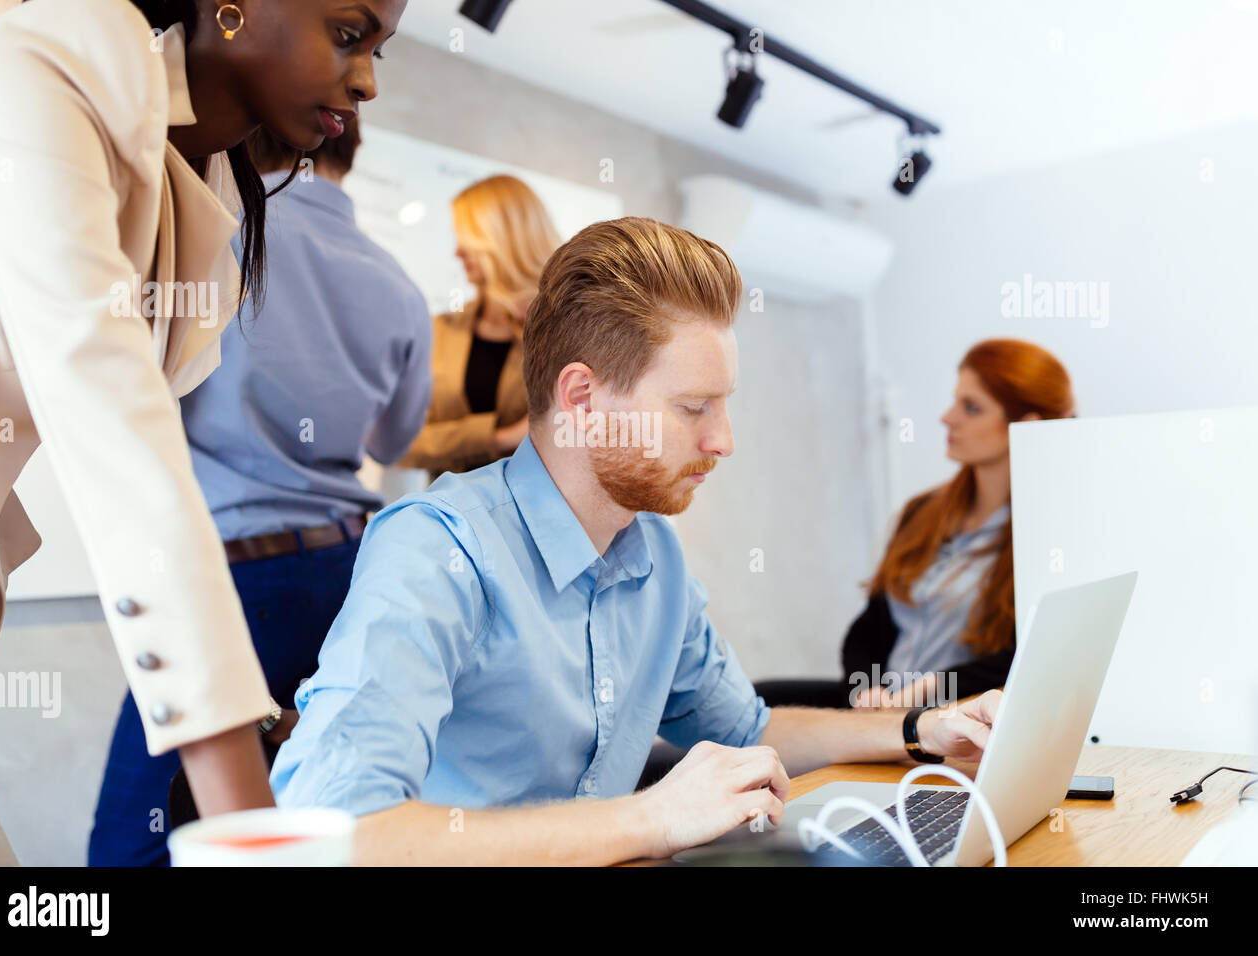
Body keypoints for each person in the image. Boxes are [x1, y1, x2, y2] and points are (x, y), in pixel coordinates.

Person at [270, 217, 1002, 865]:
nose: (723, 441)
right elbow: (331, 832)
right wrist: (651, 818)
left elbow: (752, 728)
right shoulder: (439, 551)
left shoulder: (656, 558)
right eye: (693, 408)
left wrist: (921, 729)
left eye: (723, 405)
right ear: (584, 399)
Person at [0, 0, 406, 863]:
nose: (368, 82)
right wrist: (251, 819)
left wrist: (245, 706)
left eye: (381, 50)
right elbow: (109, 417)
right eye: (349, 34)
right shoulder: (35, 71)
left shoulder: (210, 188)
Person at [89, 118, 432, 866]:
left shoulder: (211, 238)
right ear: (350, 151)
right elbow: (394, 445)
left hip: (231, 582)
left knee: (131, 847)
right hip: (347, 576)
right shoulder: (399, 285)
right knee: (308, 815)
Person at [757, 339, 1075, 711]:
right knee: (757, 702)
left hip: (958, 717)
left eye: (971, 408)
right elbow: (871, 627)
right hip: (884, 711)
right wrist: (866, 689)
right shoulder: (923, 512)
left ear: (1025, 426)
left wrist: (929, 689)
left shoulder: (1050, 534)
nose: (947, 417)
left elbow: (1025, 659)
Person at [398, 174, 560, 479]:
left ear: (502, 239)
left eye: (466, 237)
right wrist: (501, 437)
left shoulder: (564, 332)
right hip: (447, 517)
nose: (457, 252)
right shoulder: (440, 330)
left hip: (532, 518)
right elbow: (402, 442)